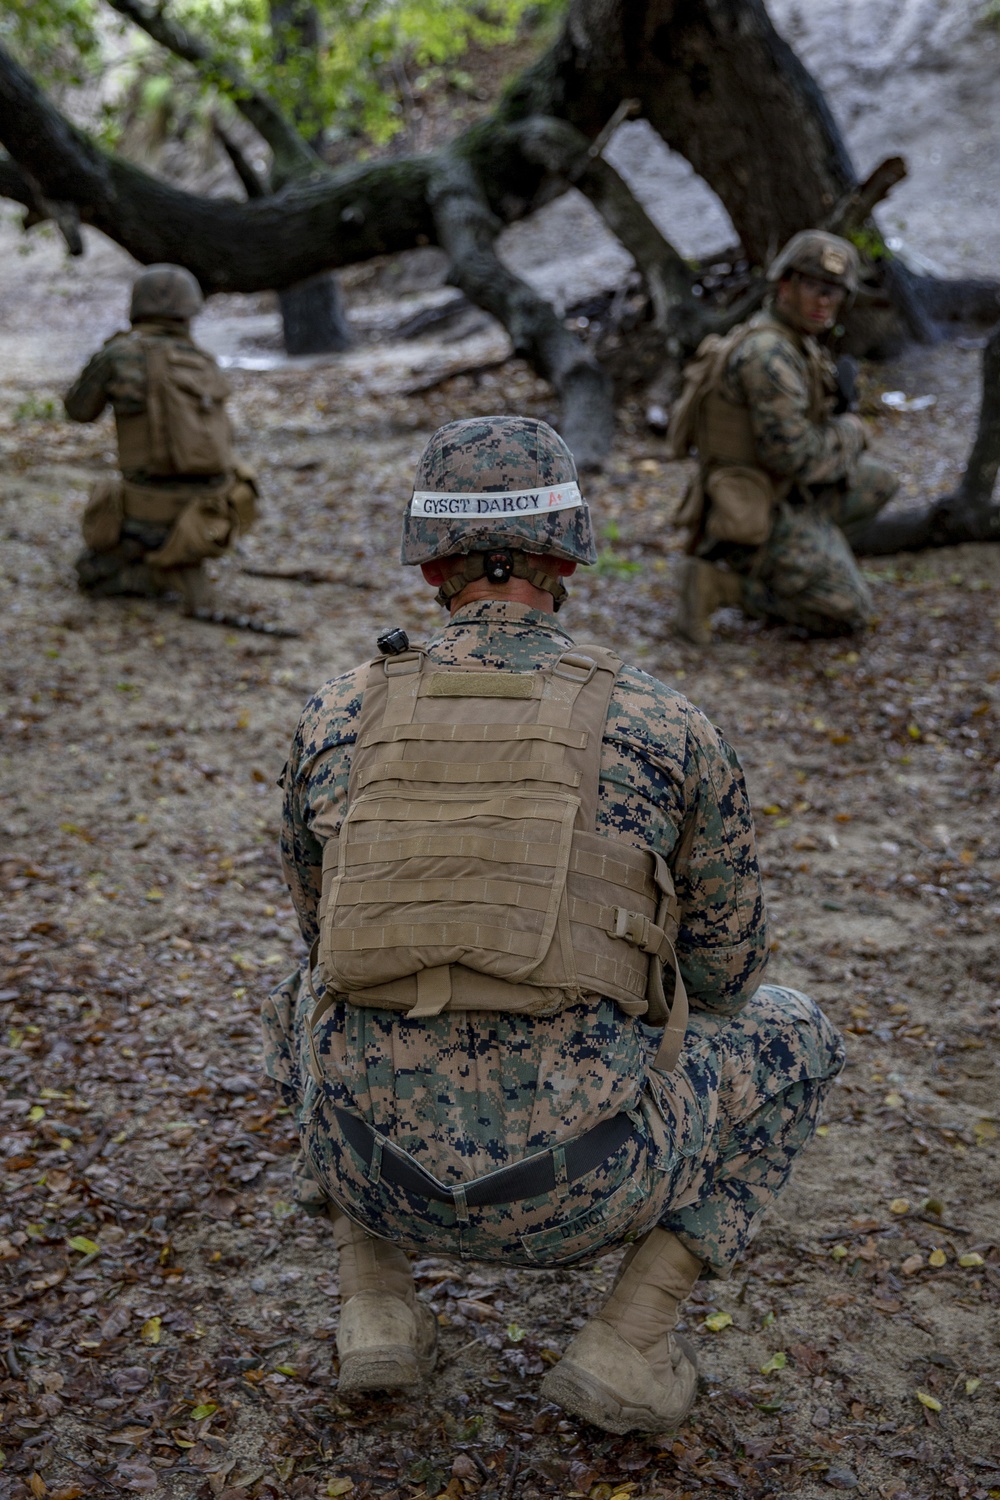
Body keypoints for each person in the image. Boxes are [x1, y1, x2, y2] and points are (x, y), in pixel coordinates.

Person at [262, 415, 844, 1435]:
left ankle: (374, 1301)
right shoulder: (664, 724)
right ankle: (629, 1334)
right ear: (567, 547)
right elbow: (727, 977)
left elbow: (323, 944)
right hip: (591, 1181)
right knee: (800, 1033)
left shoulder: (333, 717)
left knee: (303, 994)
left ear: (431, 557)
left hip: (370, 1166)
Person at [669, 230, 899, 643]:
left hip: (780, 491)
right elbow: (797, 457)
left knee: (877, 481)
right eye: (814, 286)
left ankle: (804, 562)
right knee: (848, 611)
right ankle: (720, 584)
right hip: (753, 505)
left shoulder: (796, 342)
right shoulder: (769, 355)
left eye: (835, 292)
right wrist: (852, 431)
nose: (825, 301)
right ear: (785, 285)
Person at [65, 263, 258, 611]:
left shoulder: (120, 354)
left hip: (148, 512)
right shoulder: (203, 360)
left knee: (90, 571)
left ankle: (153, 572)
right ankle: (177, 559)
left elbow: (77, 411)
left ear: (137, 307)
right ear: (189, 310)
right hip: (213, 512)